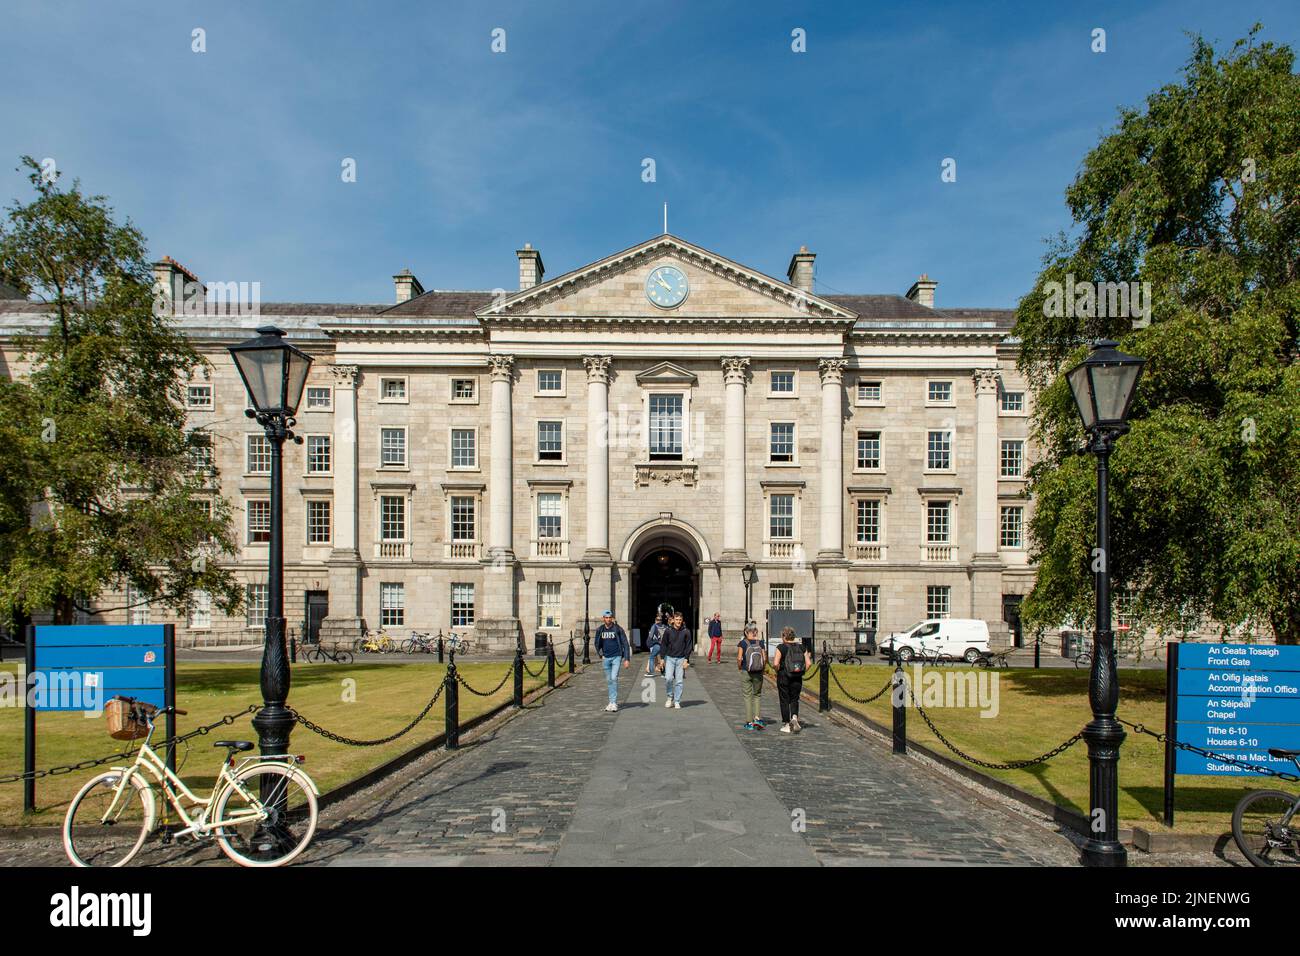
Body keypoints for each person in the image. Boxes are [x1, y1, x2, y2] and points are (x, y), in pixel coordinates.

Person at [770, 626, 808, 733]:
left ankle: (787, 724)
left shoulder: (781, 647)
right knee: (794, 699)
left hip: (784, 676)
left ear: (784, 636)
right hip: (797, 677)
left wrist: (777, 670)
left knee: (784, 700)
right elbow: (808, 663)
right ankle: (794, 717)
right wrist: (801, 672)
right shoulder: (801, 647)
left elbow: (776, 663)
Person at [593, 610, 630, 712]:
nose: (608, 619)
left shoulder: (618, 629)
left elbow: (625, 644)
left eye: (610, 617)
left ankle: (613, 702)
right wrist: (601, 654)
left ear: (612, 618)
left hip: (616, 657)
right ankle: (611, 702)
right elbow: (596, 643)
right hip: (606, 658)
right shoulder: (600, 630)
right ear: (603, 618)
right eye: (606, 617)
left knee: (614, 678)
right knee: (609, 680)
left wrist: (626, 659)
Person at [736, 622, 767, 730]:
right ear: (755, 632)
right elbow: (764, 658)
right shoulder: (761, 643)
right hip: (758, 672)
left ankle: (749, 722)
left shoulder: (742, 643)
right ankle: (757, 718)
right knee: (757, 695)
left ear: (746, 632)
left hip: (746, 671)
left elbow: (739, 658)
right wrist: (763, 669)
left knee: (747, 696)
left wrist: (740, 667)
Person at [660, 610, 693, 709]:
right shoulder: (668, 631)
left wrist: (686, 659)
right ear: (673, 620)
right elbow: (663, 644)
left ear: (682, 620)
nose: (678, 621)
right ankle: (670, 697)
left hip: (681, 659)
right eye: (677, 619)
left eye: (680, 620)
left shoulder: (686, 631)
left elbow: (688, 646)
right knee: (668, 678)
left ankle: (677, 700)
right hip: (670, 658)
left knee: (679, 681)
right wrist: (662, 658)